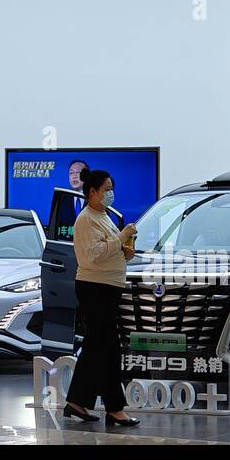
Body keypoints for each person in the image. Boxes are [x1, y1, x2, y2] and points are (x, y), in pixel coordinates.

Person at [63, 167, 140, 427]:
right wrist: (122, 237)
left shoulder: (103, 216)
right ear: (92, 191)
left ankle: (78, 401)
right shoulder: (86, 218)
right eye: (106, 189)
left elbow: (108, 250)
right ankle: (113, 408)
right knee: (106, 348)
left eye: (111, 188)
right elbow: (91, 255)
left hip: (107, 287)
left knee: (100, 348)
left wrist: (125, 250)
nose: (110, 193)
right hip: (94, 288)